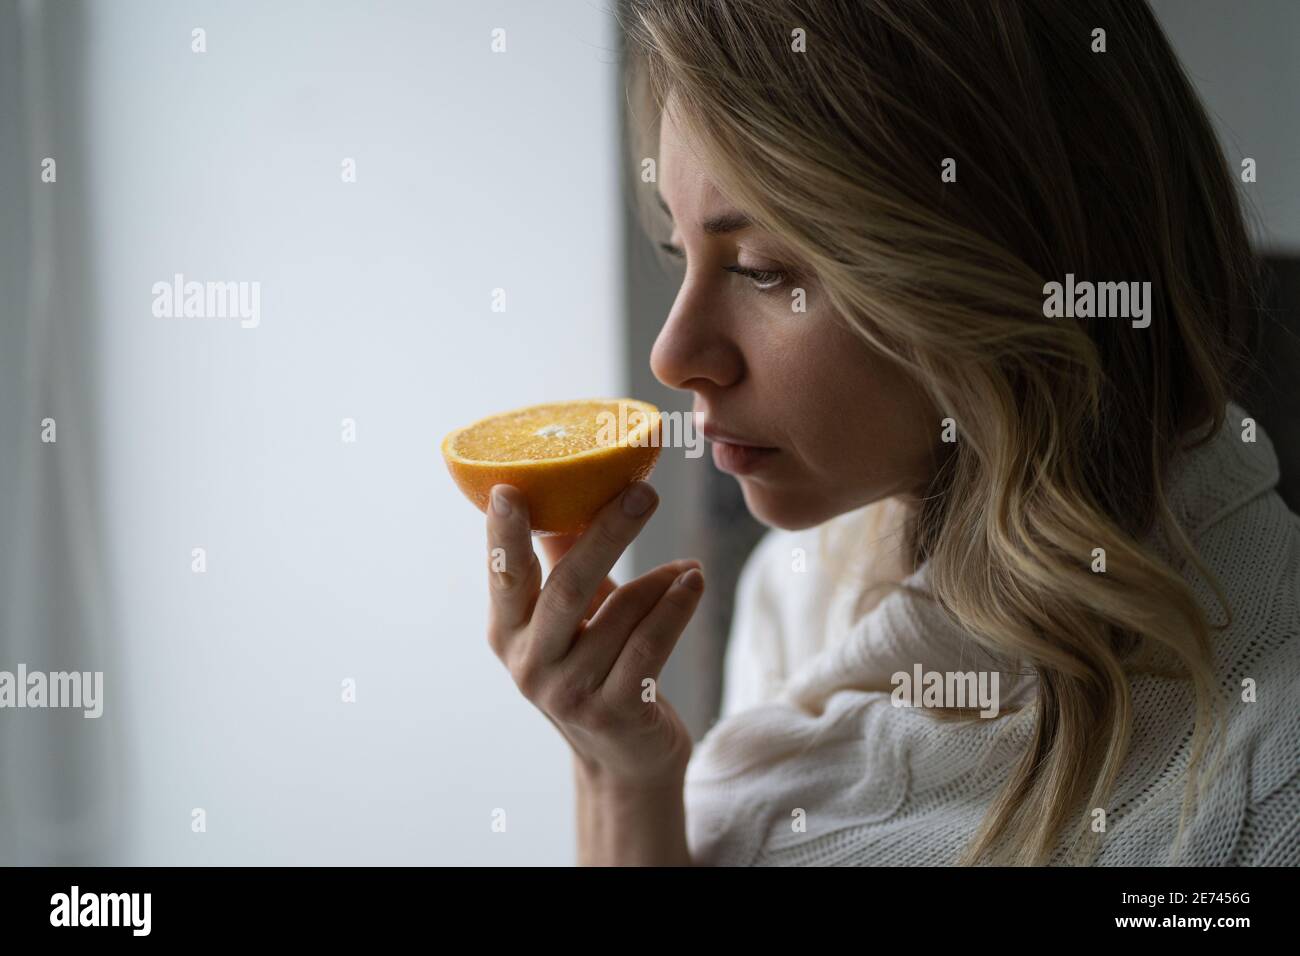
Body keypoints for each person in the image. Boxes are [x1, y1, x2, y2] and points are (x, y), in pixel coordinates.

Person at [484, 0, 1299, 865]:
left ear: (1003, 270)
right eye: (682, 254)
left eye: (763, 270)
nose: (673, 355)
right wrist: (617, 773)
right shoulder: (800, 590)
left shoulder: (1264, 778)